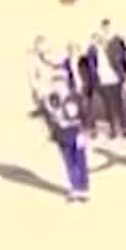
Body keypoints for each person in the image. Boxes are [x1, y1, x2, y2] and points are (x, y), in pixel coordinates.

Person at [42, 72, 89, 203]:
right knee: (69, 162)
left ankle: (84, 188)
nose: (58, 86)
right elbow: (49, 115)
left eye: (60, 82)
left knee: (80, 160)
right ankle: (74, 187)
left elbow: (84, 116)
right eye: (55, 83)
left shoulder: (75, 97)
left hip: (76, 131)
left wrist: (83, 132)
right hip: (62, 133)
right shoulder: (52, 99)